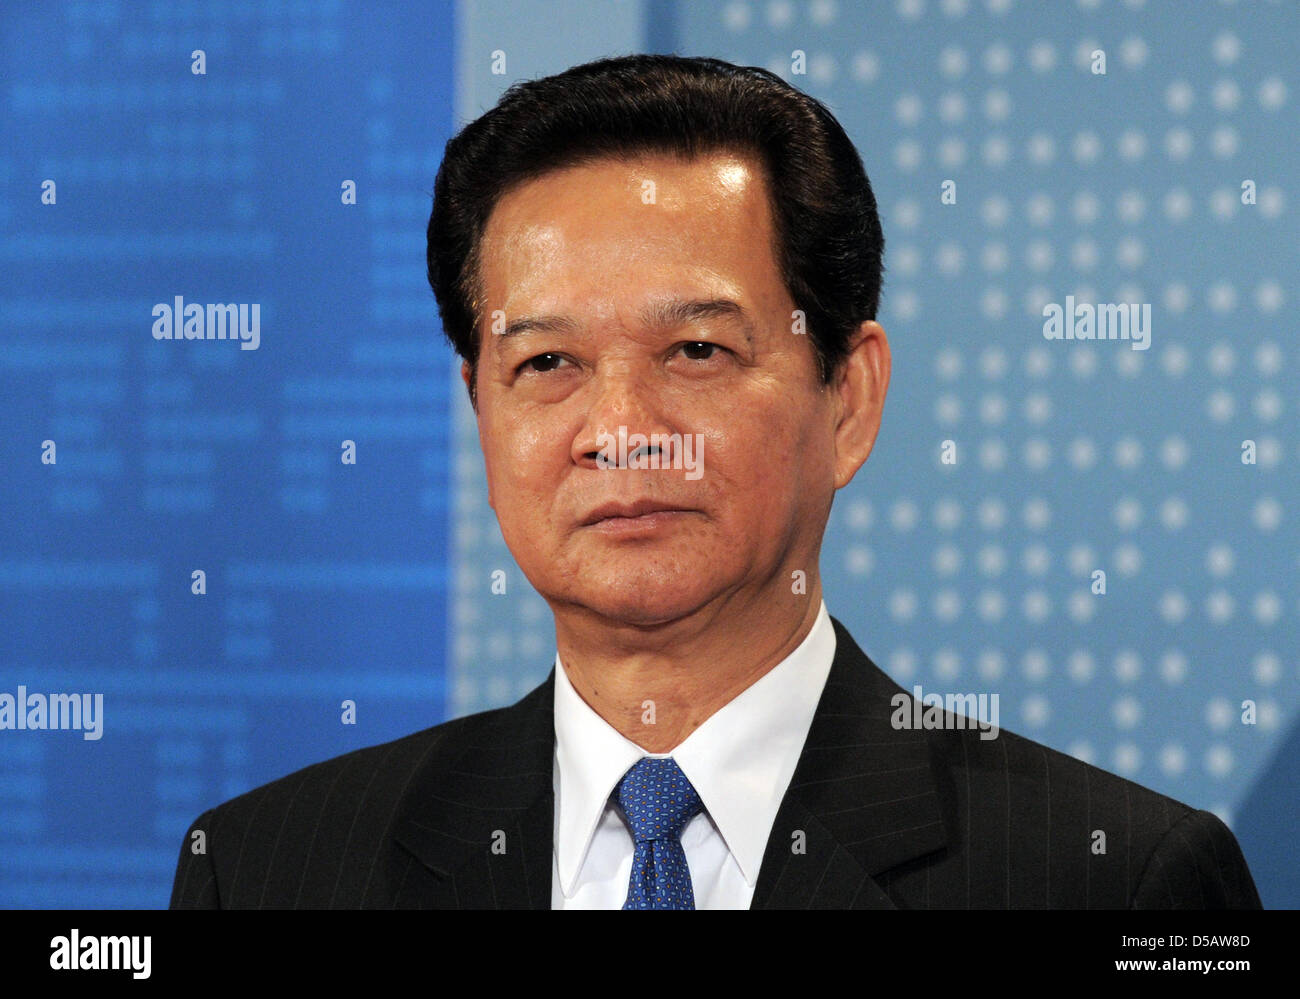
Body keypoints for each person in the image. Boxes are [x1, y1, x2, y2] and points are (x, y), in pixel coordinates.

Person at [169, 54, 1261, 909]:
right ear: (479, 409)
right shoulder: (268, 871)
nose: (623, 432)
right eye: (546, 364)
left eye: (696, 353)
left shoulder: (1110, 879)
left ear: (850, 398)